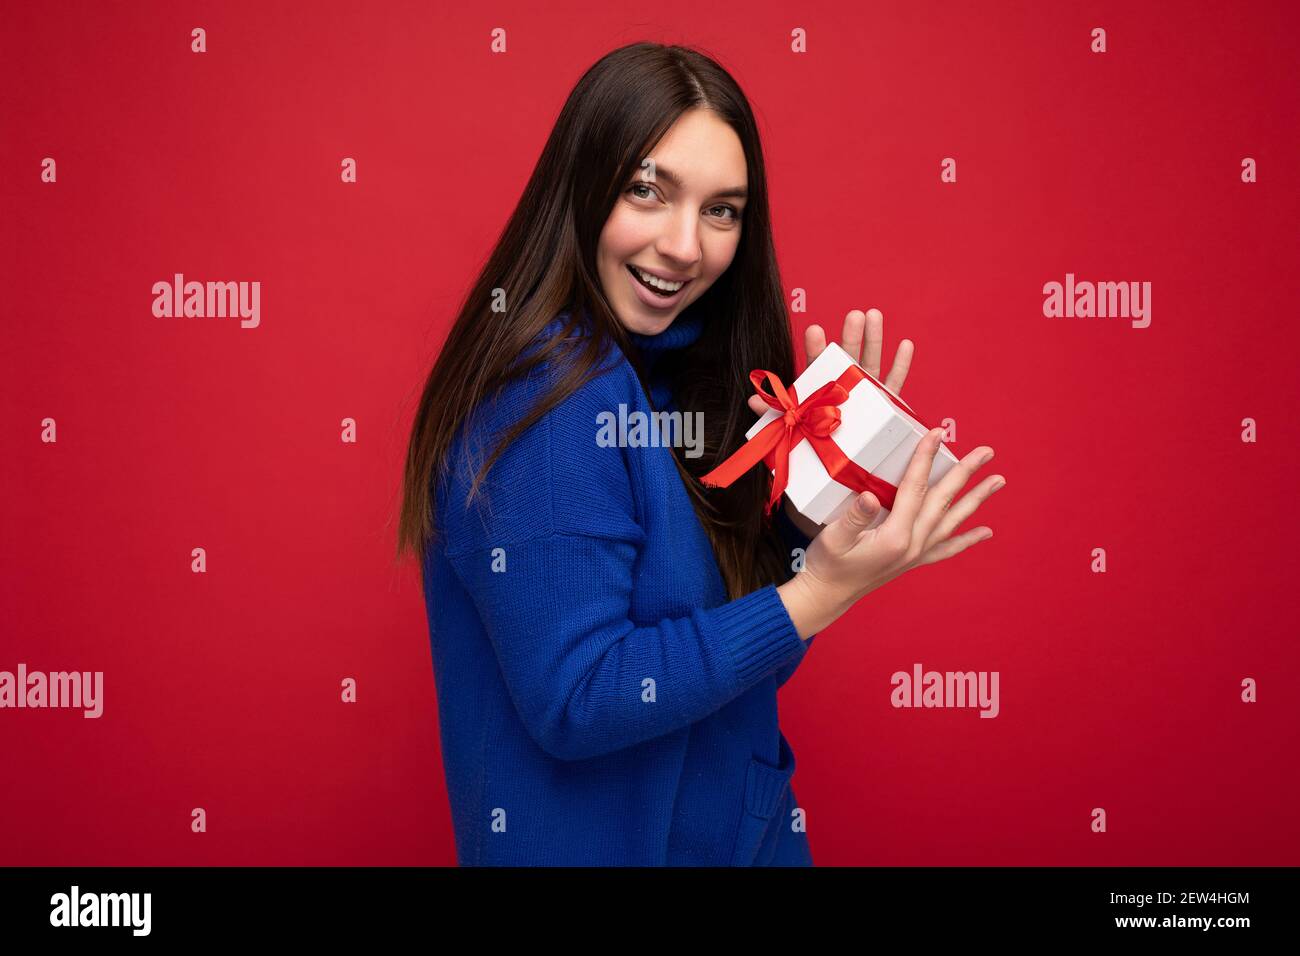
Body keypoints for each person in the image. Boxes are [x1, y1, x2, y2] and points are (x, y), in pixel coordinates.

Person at [395, 42, 1004, 866]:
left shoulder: (663, 383)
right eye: (648, 190)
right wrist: (818, 596)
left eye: (722, 210)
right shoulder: (547, 398)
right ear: (580, 186)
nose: (687, 246)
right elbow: (579, 699)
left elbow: (725, 674)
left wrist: (813, 512)